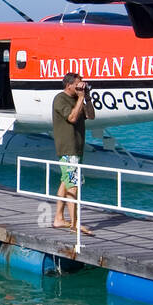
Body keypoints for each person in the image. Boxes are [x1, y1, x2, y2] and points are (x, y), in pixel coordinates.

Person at [51, 72, 95, 233]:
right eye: (78, 85)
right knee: (73, 185)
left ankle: (58, 219)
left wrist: (87, 97)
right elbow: (71, 118)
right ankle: (75, 223)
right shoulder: (60, 99)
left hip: (77, 149)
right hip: (68, 149)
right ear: (69, 85)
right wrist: (81, 99)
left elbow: (91, 115)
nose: (80, 87)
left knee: (65, 182)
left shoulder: (79, 99)